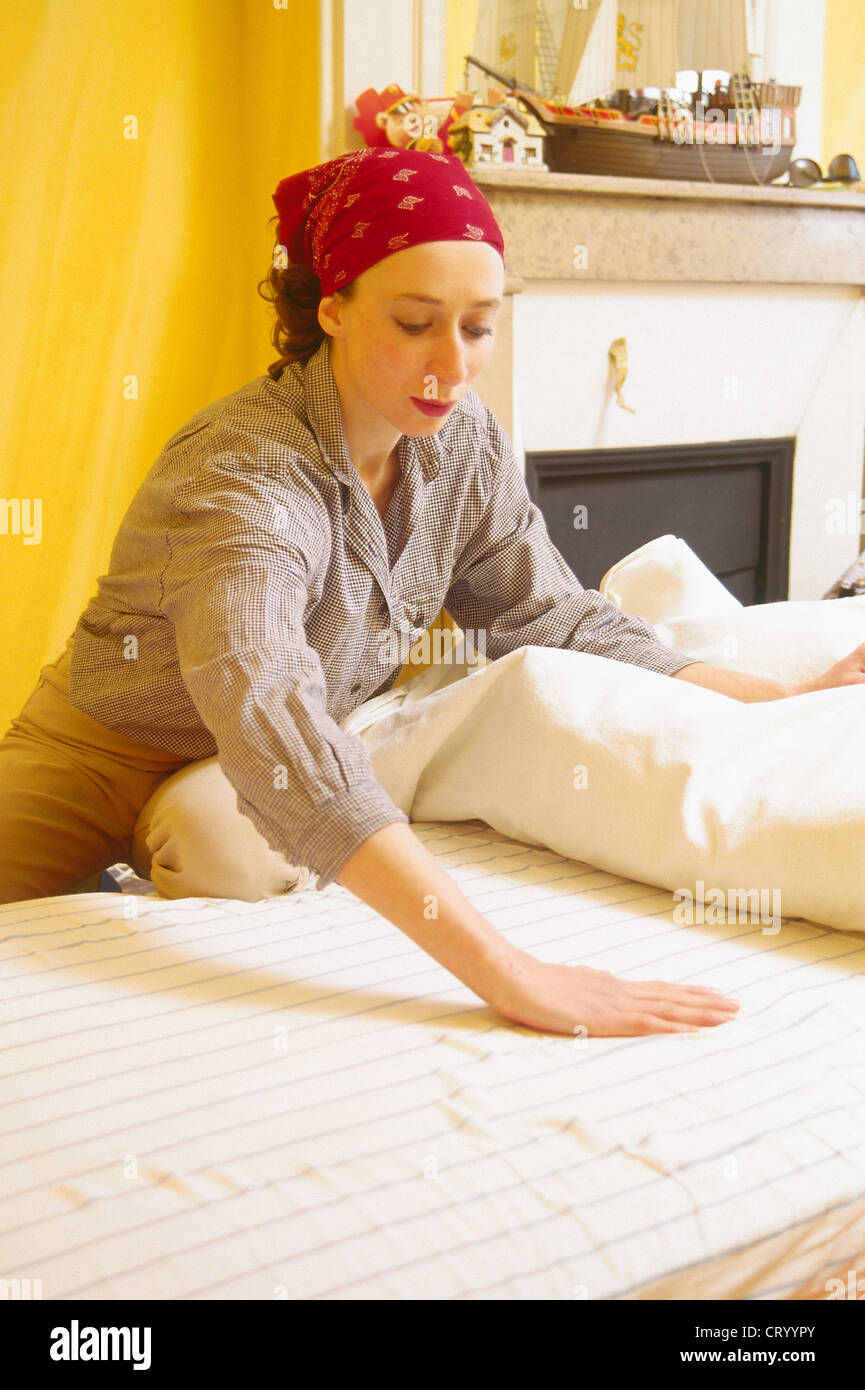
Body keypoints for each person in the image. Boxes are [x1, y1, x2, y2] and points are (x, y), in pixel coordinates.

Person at [2, 148, 864, 1039]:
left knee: (226, 848)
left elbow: (546, 613)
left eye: (478, 327)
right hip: (100, 747)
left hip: (241, 763)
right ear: (331, 309)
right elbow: (266, 703)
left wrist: (775, 699)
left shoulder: (462, 445)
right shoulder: (242, 476)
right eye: (415, 323)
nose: (451, 365)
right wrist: (515, 975)